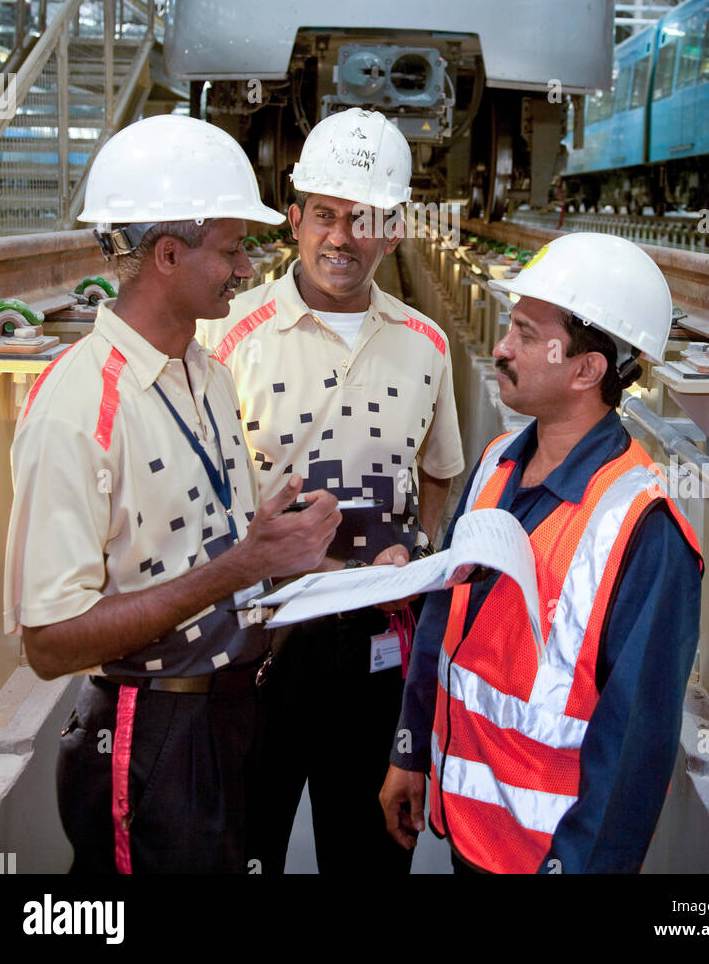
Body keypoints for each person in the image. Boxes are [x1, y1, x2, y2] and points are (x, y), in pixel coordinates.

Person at [3, 114, 343, 875]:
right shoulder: (79, 407)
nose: (248, 266)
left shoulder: (209, 374)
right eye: (231, 249)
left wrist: (280, 558)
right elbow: (50, 642)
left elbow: (205, 554)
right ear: (166, 253)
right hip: (148, 739)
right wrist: (236, 567)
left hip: (227, 716)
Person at [379, 233, 704, 875]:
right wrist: (410, 748)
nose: (501, 348)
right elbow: (443, 624)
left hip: (546, 857)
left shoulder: (644, 531)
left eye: (526, 334)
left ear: (587, 369)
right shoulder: (496, 465)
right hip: (466, 830)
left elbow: (634, 747)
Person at [200, 107, 465, 874]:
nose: (341, 237)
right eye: (324, 214)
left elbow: (439, 471)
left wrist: (410, 559)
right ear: (294, 219)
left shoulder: (426, 344)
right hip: (258, 641)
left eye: (364, 218)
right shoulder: (229, 334)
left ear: (393, 230)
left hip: (378, 647)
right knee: (244, 850)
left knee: (369, 855)